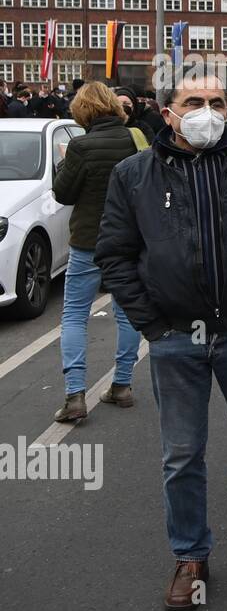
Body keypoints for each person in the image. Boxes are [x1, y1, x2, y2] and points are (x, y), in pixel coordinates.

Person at [96, 73, 227, 611]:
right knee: (182, 455)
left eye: (216, 102)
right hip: (176, 338)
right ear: (167, 113)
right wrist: (151, 325)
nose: (207, 111)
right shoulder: (133, 175)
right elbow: (115, 253)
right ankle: (190, 557)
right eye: (193, 102)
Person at [51, 83, 143, 424]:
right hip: (128, 240)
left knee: (75, 314)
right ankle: (122, 385)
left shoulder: (79, 146)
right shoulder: (136, 140)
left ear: (83, 111)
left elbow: (63, 194)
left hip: (88, 241)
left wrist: (65, 163)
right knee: (126, 312)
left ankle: (75, 395)